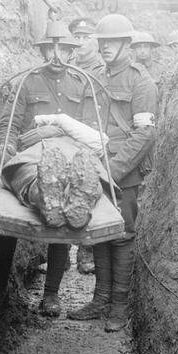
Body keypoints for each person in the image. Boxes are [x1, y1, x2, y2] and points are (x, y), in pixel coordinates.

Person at [0, 23, 89, 318]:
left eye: (62, 49)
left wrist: (60, 137)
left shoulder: (81, 85)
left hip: (64, 160)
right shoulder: (27, 82)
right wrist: (6, 151)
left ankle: (50, 295)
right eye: (49, 48)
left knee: (60, 225)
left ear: (71, 52)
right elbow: (9, 123)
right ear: (41, 51)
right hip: (29, 158)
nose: (55, 55)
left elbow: (87, 130)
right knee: (8, 222)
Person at [68, 13, 157, 332]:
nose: (105, 47)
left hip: (123, 172)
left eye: (113, 42)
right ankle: (100, 300)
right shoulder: (99, 77)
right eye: (102, 42)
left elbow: (144, 134)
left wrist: (114, 171)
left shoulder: (140, 81)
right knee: (100, 233)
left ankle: (118, 307)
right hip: (95, 166)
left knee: (121, 236)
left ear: (126, 44)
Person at [67, 16, 103, 275]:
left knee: (89, 193)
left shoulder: (104, 70)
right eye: (76, 37)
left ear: (96, 41)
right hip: (67, 139)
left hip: (93, 139)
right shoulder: (64, 66)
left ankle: (86, 250)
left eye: (85, 37)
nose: (79, 43)